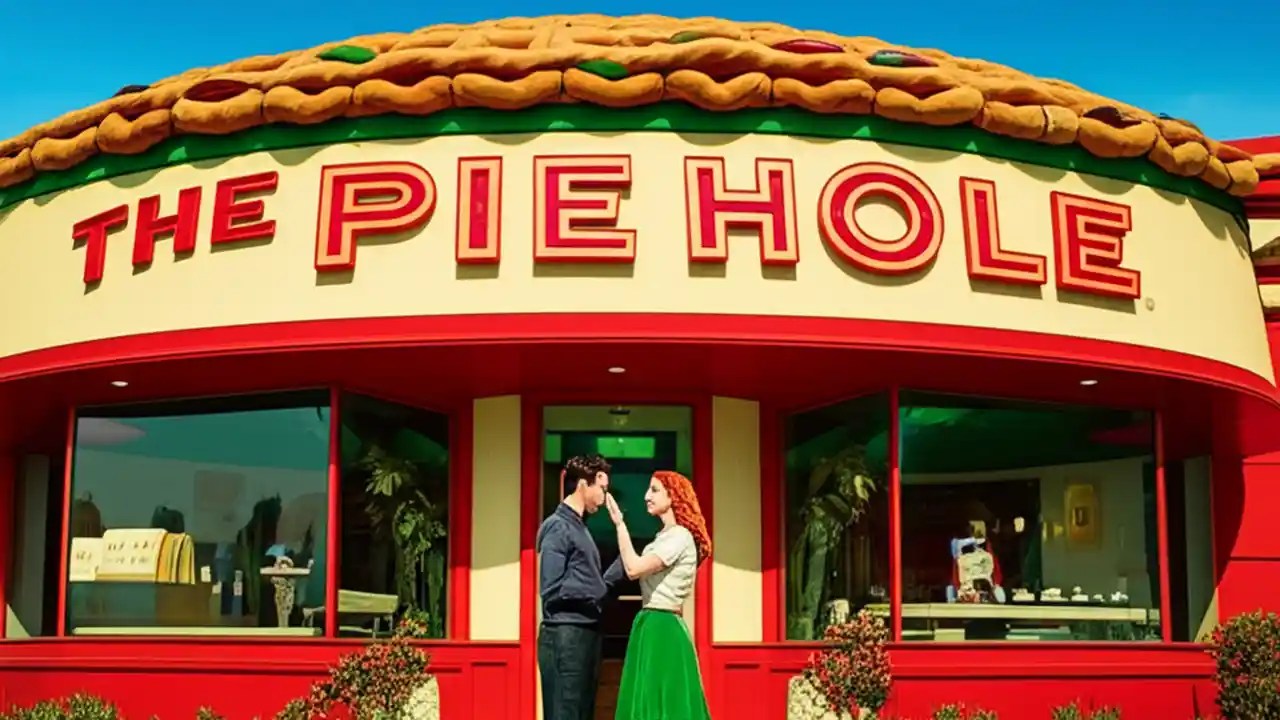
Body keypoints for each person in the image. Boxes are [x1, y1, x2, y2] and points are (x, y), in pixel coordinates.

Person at [604, 470, 712, 720]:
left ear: (673, 496)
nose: (646, 496)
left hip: (663, 628)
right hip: (650, 625)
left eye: (654, 490)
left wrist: (620, 525)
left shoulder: (679, 537)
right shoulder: (664, 537)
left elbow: (633, 569)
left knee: (664, 704)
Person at [536, 453, 618, 720]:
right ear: (584, 484)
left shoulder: (581, 528)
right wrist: (597, 590)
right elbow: (551, 587)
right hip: (565, 636)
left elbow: (587, 581)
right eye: (602, 488)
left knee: (582, 712)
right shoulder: (558, 526)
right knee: (565, 712)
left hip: (585, 633)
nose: (605, 497)